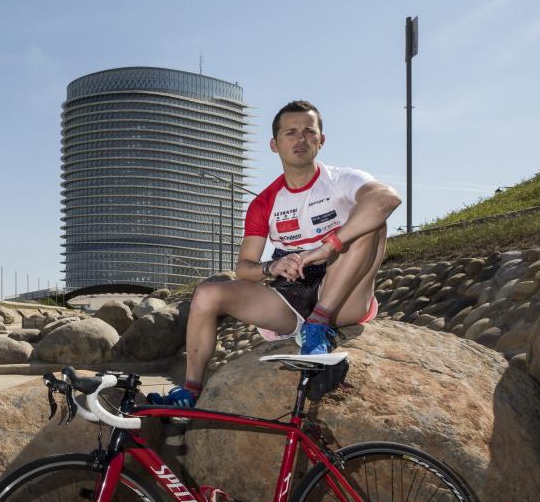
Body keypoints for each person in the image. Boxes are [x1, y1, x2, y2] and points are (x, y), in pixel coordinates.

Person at [156, 100, 402, 408]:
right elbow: (244, 268)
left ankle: (319, 325)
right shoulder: (265, 202)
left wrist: (329, 246)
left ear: (321, 140)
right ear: (275, 145)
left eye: (308, 132)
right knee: (207, 294)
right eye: (290, 133)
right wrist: (273, 265)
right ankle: (190, 391)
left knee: (371, 224)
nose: (300, 139)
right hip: (291, 295)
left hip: (342, 294)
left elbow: (387, 199)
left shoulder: (341, 179)